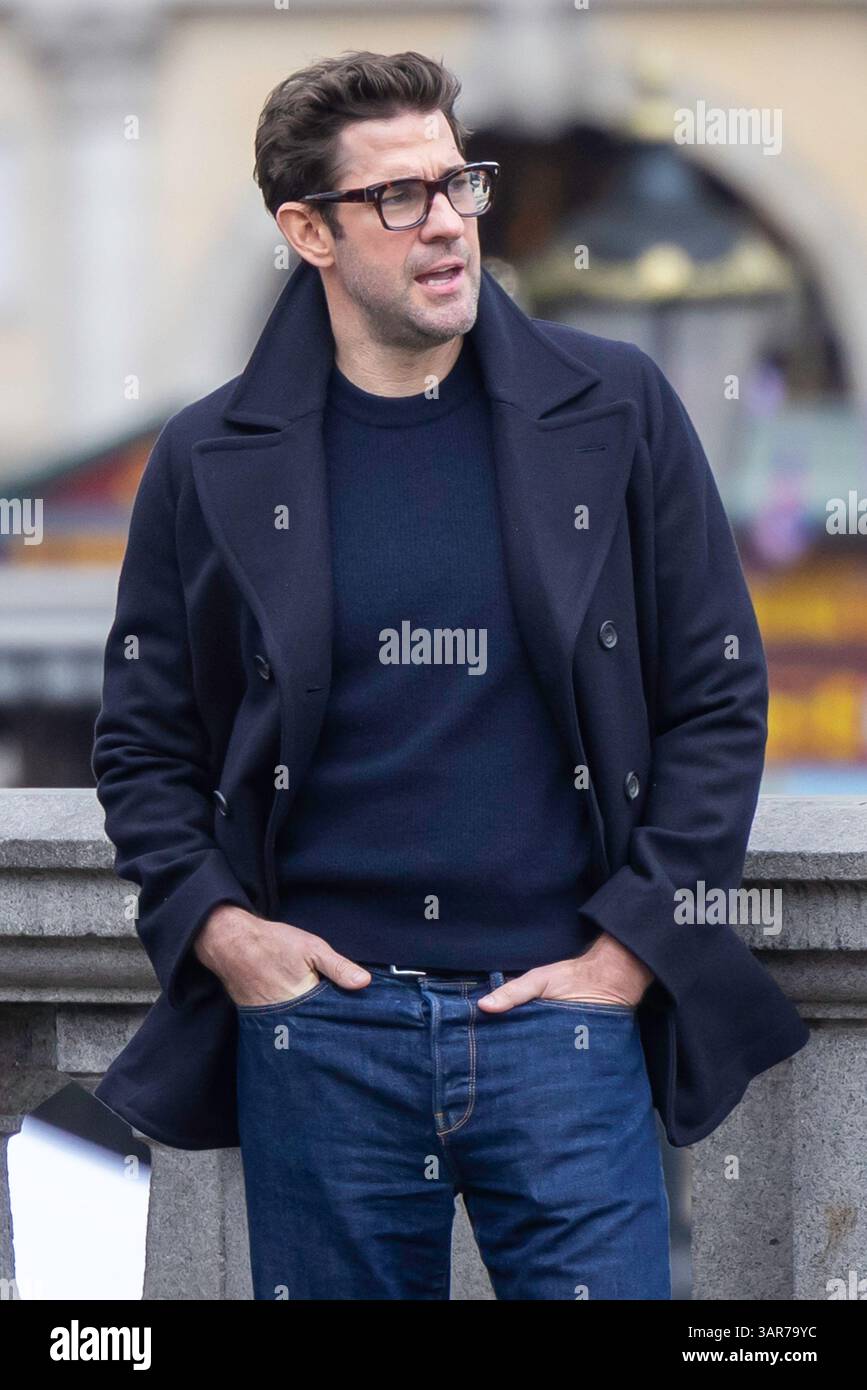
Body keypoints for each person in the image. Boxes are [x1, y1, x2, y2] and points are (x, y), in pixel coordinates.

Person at [92, 49, 810, 1300]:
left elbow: (717, 696)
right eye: (398, 199)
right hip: (319, 1037)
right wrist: (225, 933)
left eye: (458, 184)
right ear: (306, 230)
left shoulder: (617, 408)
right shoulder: (208, 457)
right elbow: (143, 742)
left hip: (568, 1027)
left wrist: (625, 953)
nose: (446, 225)